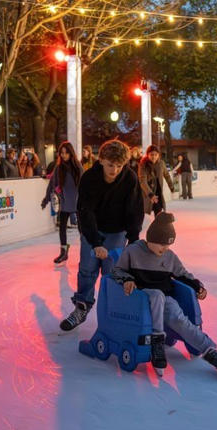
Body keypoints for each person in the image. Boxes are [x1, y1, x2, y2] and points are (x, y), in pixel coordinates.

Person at [111, 212, 217, 381]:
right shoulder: (133, 251)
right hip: (139, 298)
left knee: (178, 318)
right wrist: (127, 280)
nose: (165, 249)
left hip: (164, 300)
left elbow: (182, 274)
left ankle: (211, 352)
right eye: (162, 244)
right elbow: (117, 271)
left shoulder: (169, 257)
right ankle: (157, 341)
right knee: (157, 294)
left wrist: (197, 287)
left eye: (168, 245)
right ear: (151, 238)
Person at [60, 139, 144, 332]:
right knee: (88, 269)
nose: (114, 170)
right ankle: (82, 307)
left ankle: (112, 312)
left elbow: (134, 210)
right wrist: (95, 242)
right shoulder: (90, 178)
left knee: (112, 273)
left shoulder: (129, 178)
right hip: (93, 228)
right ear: (101, 160)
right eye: (110, 165)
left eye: (119, 165)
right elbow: (85, 211)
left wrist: (133, 239)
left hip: (117, 231)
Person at [41, 142, 83, 264]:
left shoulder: (77, 167)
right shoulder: (59, 168)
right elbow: (52, 184)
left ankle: (85, 254)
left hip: (77, 202)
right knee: (62, 227)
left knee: (82, 229)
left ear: (71, 153)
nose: (64, 155)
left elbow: (85, 184)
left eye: (66, 152)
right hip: (65, 202)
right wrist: (46, 199)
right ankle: (63, 252)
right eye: (62, 153)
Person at [138, 146, 175, 216]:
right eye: (151, 154)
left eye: (156, 155)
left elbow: (167, 175)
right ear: (148, 155)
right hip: (147, 192)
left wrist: (171, 187)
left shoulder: (161, 163)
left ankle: (158, 226)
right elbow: (142, 181)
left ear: (158, 155)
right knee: (142, 212)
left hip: (158, 192)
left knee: (158, 212)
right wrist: (150, 194)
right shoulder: (143, 164)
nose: (154, 157)